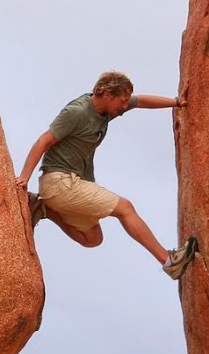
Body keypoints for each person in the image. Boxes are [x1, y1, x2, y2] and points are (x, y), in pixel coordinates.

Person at [15, 71, 197, 279]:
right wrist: (24, 177)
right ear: (108, 94)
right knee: (125, 208)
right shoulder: (77, 112)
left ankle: (44, 208)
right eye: (122, 101)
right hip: (59, 182)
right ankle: (169, 261)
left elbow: (141, 101)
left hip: (69, 185)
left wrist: (176, 102)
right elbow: (44, 141)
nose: (124, 106)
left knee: (92, 238)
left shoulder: (109, 110)